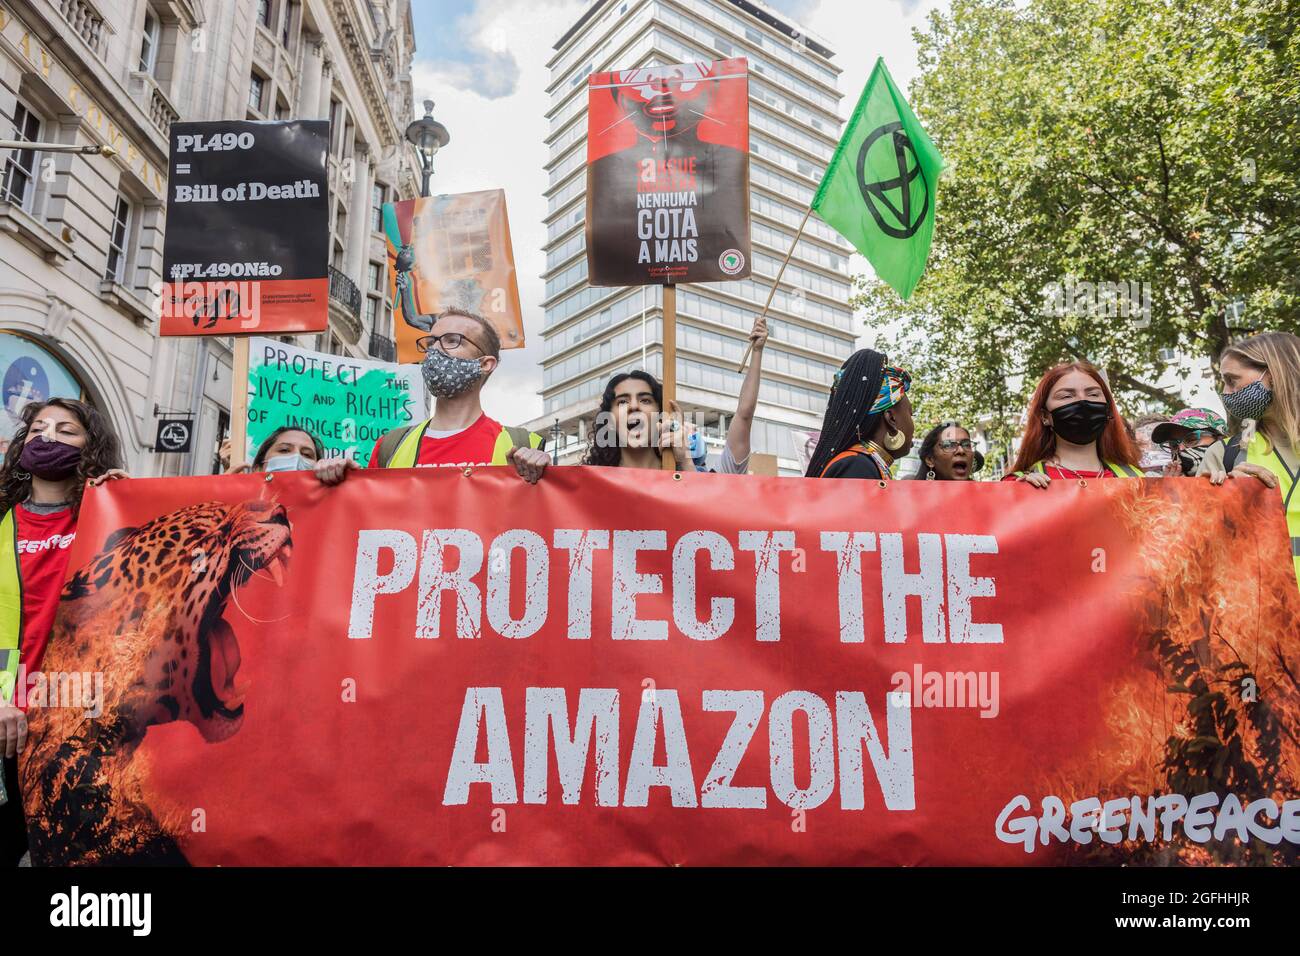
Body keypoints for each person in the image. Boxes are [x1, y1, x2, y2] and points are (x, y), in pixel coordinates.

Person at [0, 398, 128, 866]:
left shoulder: (111, 517)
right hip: (6, 721)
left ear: (92, 447)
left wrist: (130, 499)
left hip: (81, 721)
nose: (48, 436)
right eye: (38, 427)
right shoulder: (1, 520)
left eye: (67, 430)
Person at [316, 308, 550, 485]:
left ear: (486, 364)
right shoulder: (390, 447)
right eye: (431, 342)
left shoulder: (521, 445)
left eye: (451, 340)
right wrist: (337, 482)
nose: (435, 350)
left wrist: (541, 480)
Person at [1196, 332, 1300, 586]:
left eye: (1232, 380)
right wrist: (1223, 501)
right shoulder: (1225, 454)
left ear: (1274, 374)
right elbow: (1198, 552)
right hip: (1267, 611)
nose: (1226, 392)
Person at [1003, 361, 1142, 487]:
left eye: (1093, 394)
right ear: (1045, 416)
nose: (1082, 401)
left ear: (1108, 409)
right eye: (1066, 396)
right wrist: (1020, 495)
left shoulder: (1138, 480)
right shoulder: (1018, 484)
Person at [806, 349, 914, 480]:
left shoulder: (861, 463)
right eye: (911, 414)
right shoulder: (858, 466)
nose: (913, 424)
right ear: (891, 418)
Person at [581, 370, 691, 470]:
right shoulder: (590, 482)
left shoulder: (687, 474)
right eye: (622, 402)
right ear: (609, 421)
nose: (634, 406)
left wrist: (686, 462)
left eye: (645, 400)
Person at [1150, 407, 1227, 477]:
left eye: (1191, 439)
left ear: (1219, 438)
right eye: (1174, 445)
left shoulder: (1237, 470)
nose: (1181, 449)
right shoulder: (1170, 486)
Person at [226, 426, 325, 473]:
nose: (296, 457)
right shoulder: (239, 511)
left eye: (307, 455)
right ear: (258, 469)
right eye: (284, 450)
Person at [906, 422, 985, 480]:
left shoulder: (985, 497)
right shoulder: (910, 496)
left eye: (967, 444)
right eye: (949, 445)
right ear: (930, 460)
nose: (961, 451)